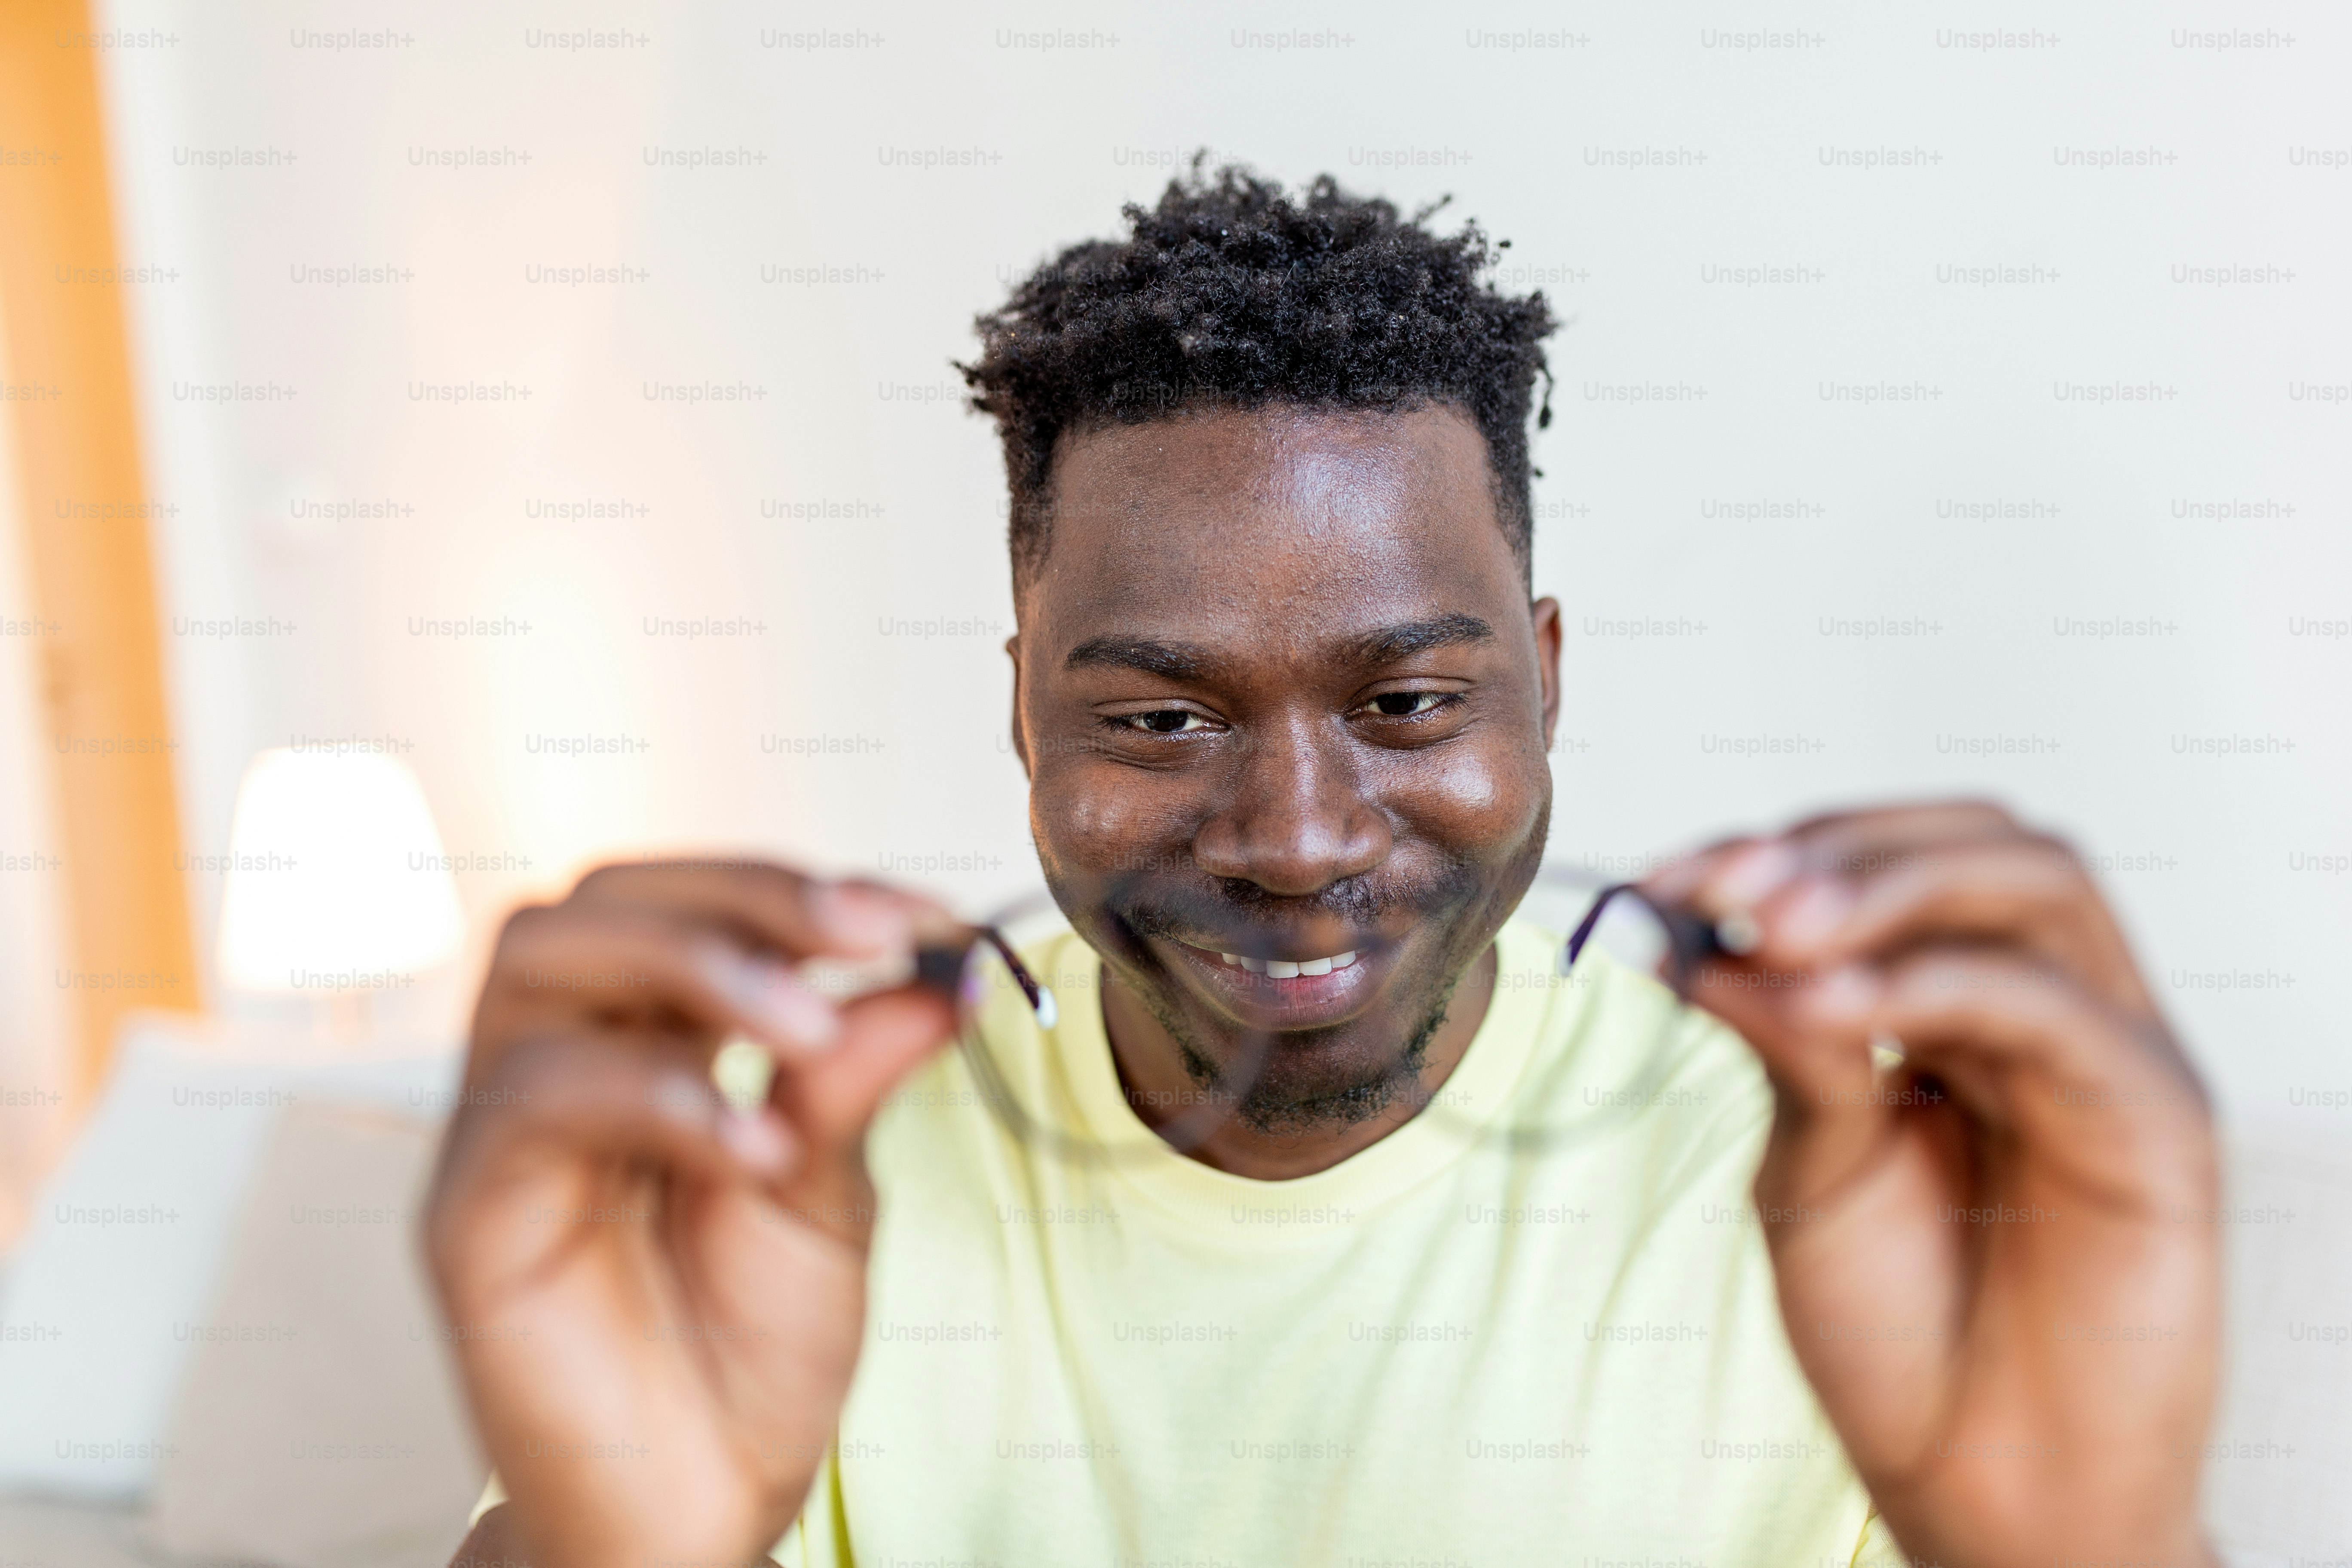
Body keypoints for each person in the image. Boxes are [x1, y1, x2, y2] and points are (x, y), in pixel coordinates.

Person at [429, 164, 2221, 1568]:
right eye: (1159, 722)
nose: (1295, 839)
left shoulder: (1845, 1181)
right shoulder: (784, 1167)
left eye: (1411, 698)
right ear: (1024, 716)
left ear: (1549, 678)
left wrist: (2093, 1556)